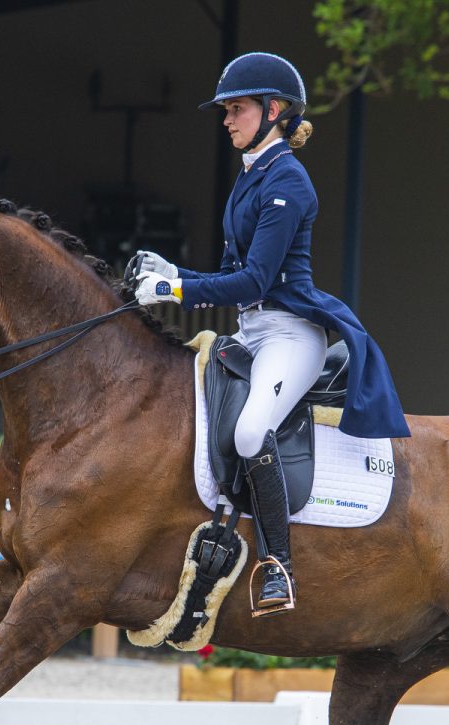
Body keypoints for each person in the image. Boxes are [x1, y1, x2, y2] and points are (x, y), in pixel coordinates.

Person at [131, 51, 409, 617]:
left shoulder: (289, 182)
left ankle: (278, 564)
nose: (227, 120)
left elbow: (256, 279)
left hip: (289, 336)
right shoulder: (251, 174)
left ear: (273, 110)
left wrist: (176, 291)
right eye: (227, 110)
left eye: (236, 109)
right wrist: (173, 274)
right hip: (251, 331)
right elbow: (234, 271)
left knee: (253, 430)